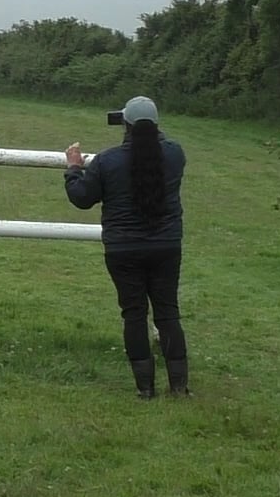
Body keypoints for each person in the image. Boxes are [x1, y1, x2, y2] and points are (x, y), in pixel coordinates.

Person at [63, 95, 191, 398]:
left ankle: (145, 388)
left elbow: (82, 198)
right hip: (166, 244)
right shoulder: (175, 155)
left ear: (126, 125)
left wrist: (73, 169)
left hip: (123, 247)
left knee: (134, 314)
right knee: (168, 313)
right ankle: (179, 386)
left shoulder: (107, 160)